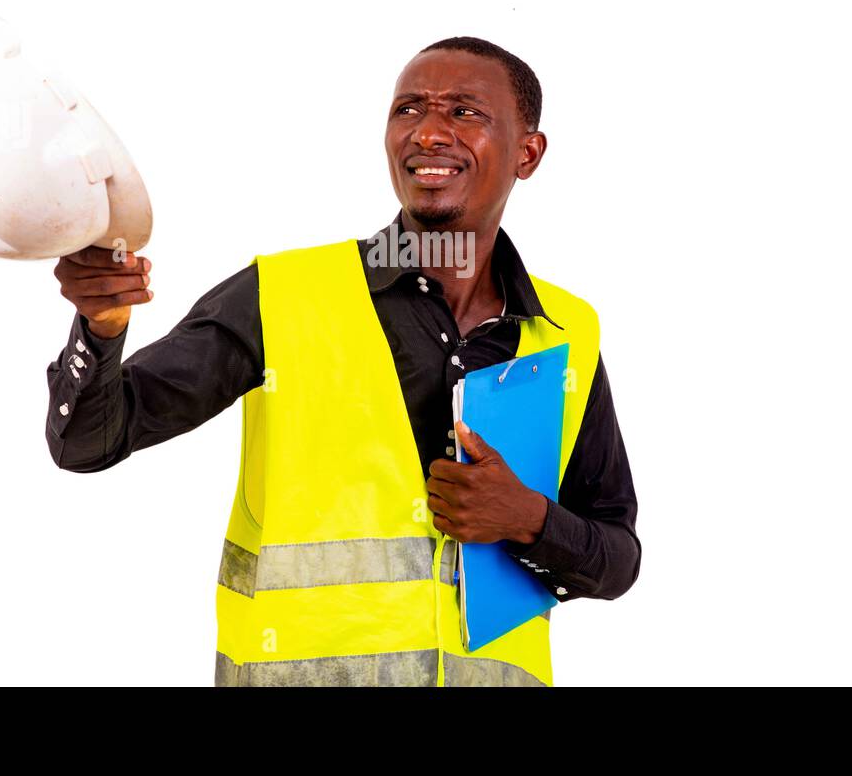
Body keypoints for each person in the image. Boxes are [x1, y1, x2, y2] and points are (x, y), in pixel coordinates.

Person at [45, 36, 641, 686]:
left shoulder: (565, 330)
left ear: (528, 152)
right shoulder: (285, 295)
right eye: (409, 109)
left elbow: (617, 557)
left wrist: (528, 518)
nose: (430, 132)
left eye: (465, 111)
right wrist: (101, 329)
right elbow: (89, 439)